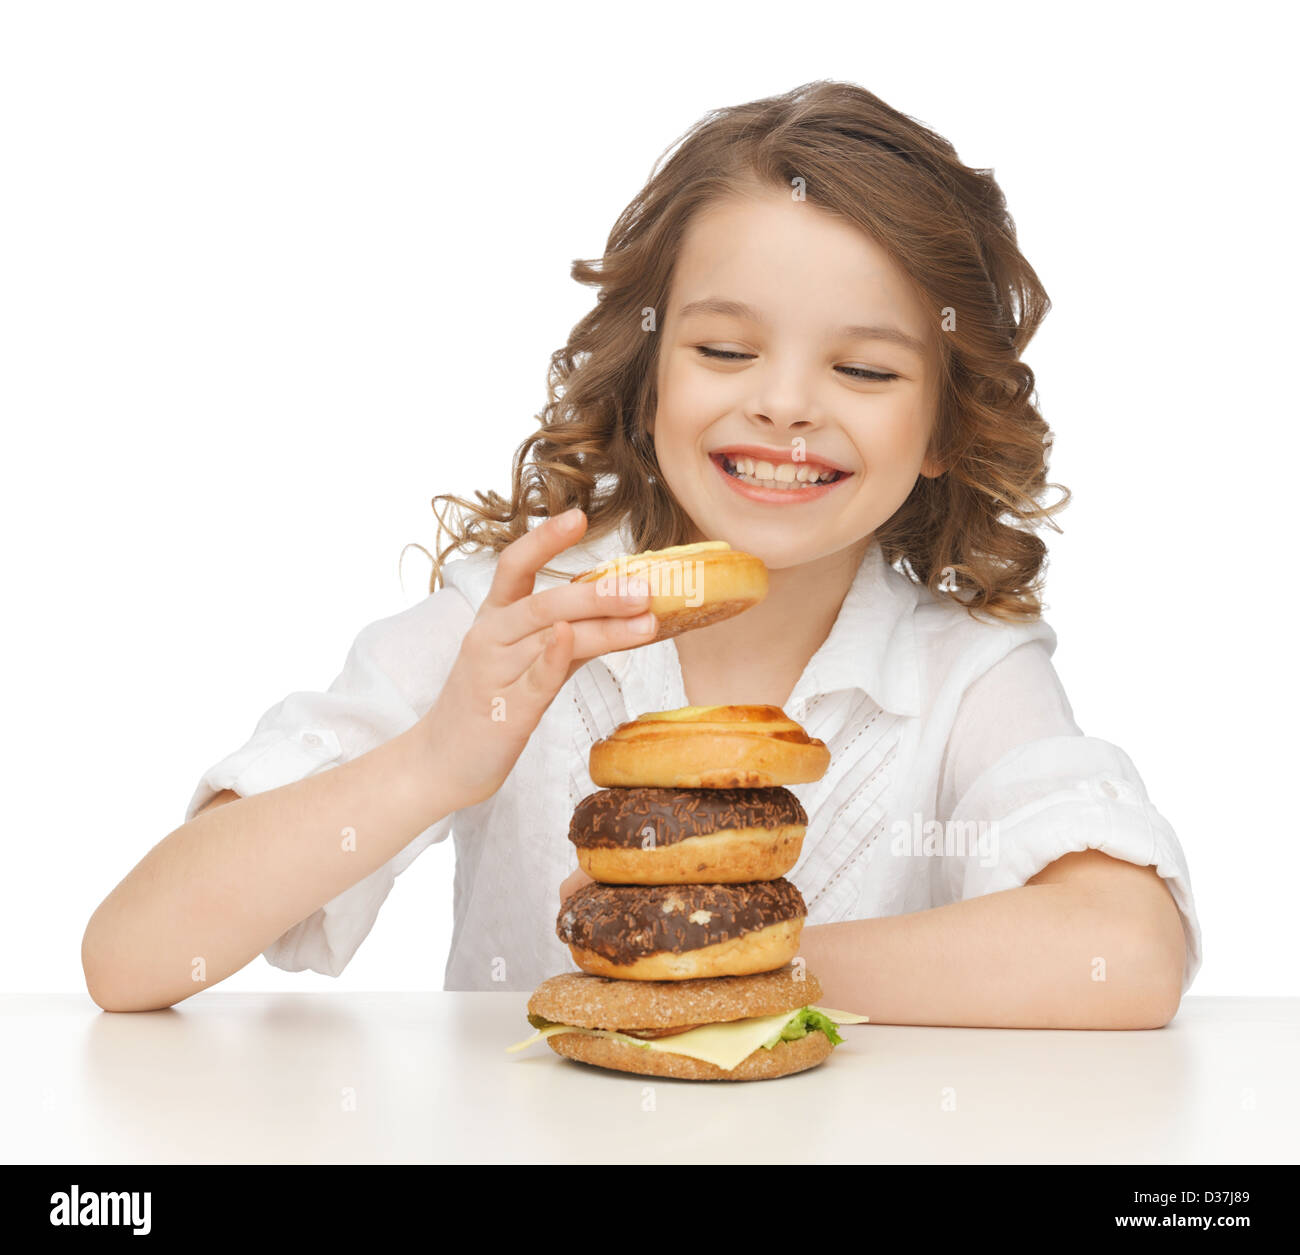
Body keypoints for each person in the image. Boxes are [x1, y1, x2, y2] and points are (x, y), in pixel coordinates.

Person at [82, 80, 1201, 1025]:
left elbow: (1130, 952)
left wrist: (722, 964)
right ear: (649, 369)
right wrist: (434, 760)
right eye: (724, 348)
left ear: (948, 429)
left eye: (863, 370)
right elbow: (131, 957)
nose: (784, 405)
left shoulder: (963, 674)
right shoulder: (515, 626)